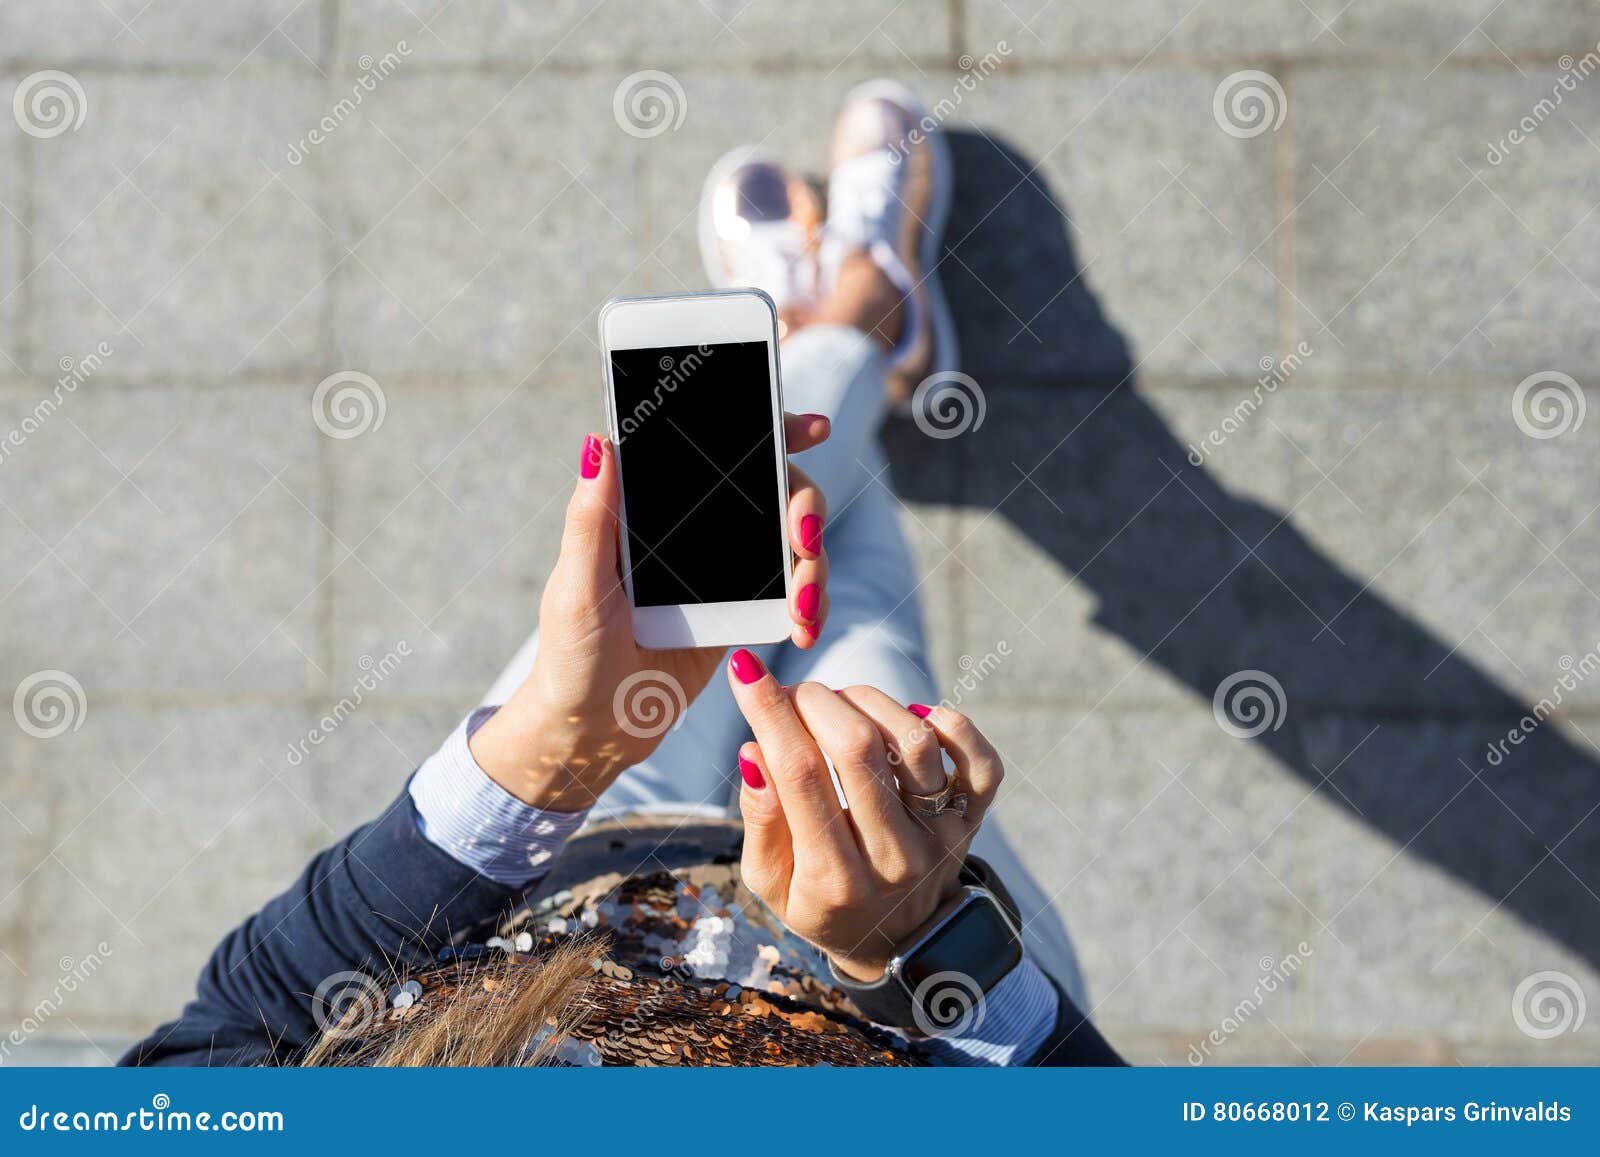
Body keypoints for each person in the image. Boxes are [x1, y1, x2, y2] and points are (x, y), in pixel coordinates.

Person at [122, 81, 1120, 1068]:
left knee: (764, 544)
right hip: (909, 970)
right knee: (864, 638)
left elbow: (226, 1034)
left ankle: (851, 330)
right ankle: (854, 319)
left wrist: (545, 751)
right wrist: (923, 945)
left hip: (571, 860)